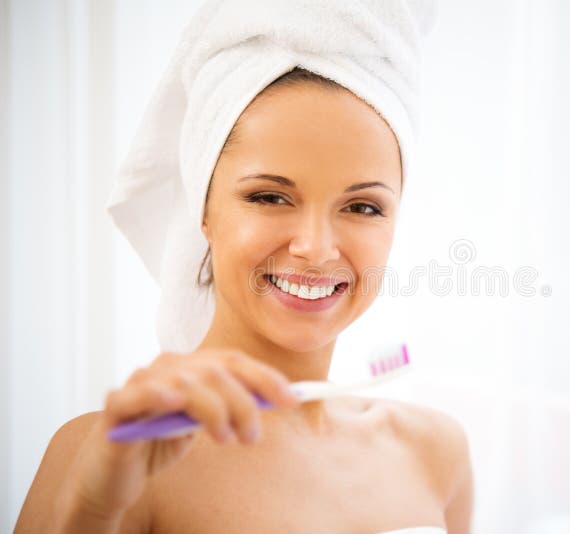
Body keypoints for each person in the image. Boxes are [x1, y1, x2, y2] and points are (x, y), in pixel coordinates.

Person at [14, 1, 473, 533]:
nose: (317, 248)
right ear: (203, 211)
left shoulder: (437, 454)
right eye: (270, 197)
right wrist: (90, 512)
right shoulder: (105, 460)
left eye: (363, 207)